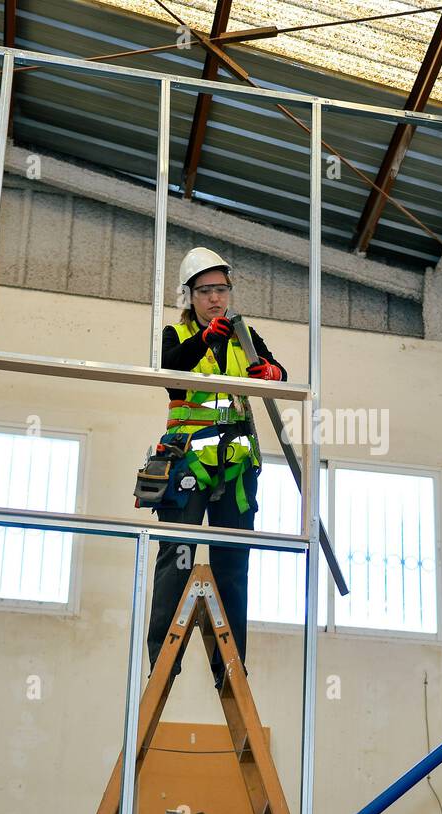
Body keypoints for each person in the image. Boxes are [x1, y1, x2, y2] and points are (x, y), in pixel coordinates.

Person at [143, 247, 287, 690]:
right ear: (189, 296)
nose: (215, 299)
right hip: (188, 468)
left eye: (221, 289)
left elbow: (278, 371)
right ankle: (163, 662)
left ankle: (230, 666)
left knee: (232, 564)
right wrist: (205, 339)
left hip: (236, 470)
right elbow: (170, 373)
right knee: (177, 559)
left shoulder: (245, 336)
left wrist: (271, 373)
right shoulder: (176, 335)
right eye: (206, 291)